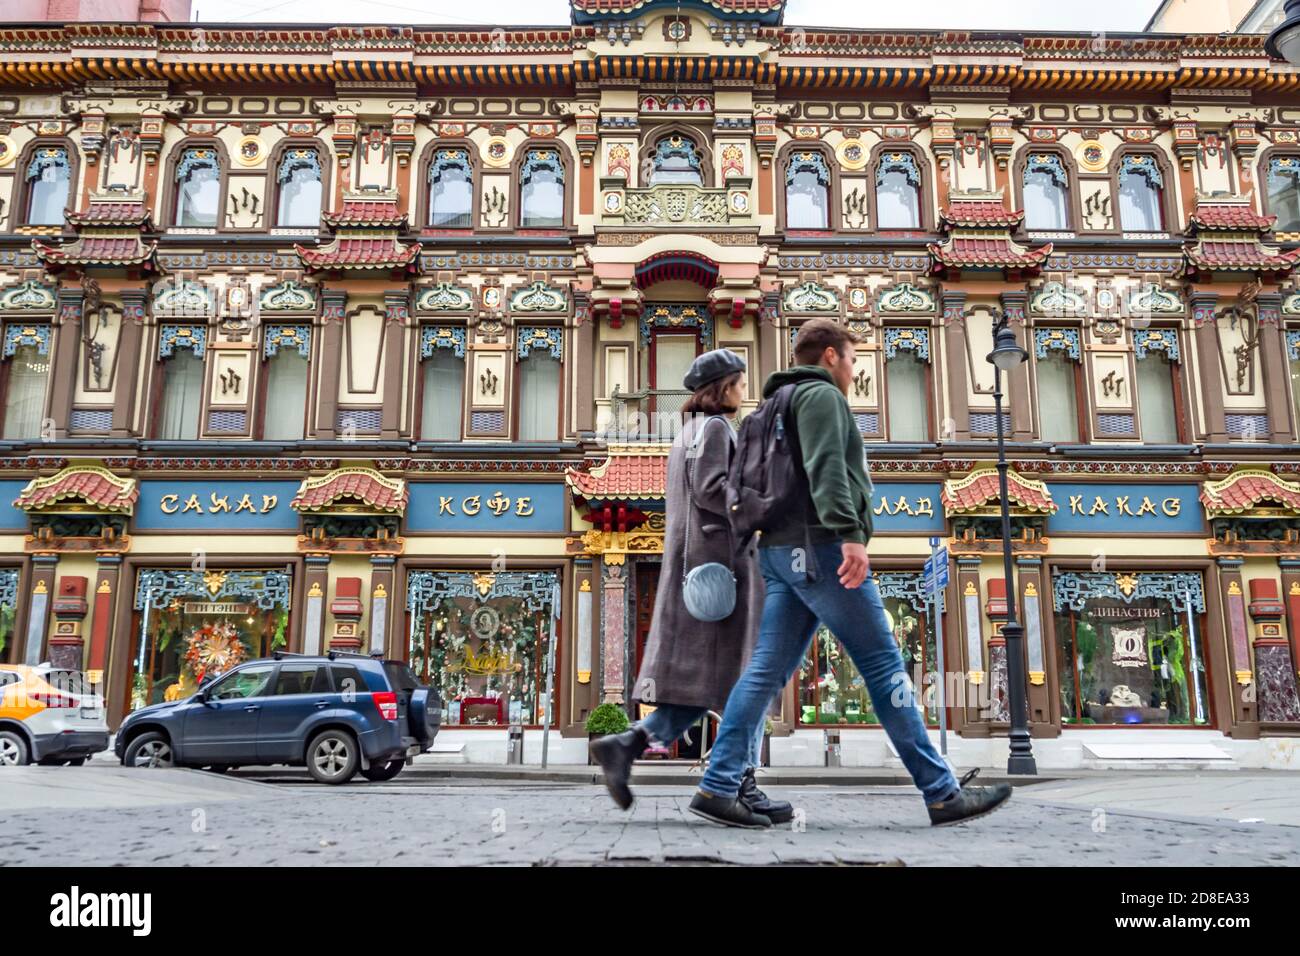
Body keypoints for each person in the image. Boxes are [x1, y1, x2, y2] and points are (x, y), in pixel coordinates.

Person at [688, 319, 1013, 829]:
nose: (855, 368)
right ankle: (942, 793)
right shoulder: (820, 398)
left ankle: (719, 784)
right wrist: (850, 536)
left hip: (778, 553)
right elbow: (827, 467)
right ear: (831, 356)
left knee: (765, 672)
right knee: (884, 668)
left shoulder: (765, 409)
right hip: (820, 550)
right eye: (853, 358)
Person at [589, 349, 791, 823]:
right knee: (746, 681)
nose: (744, 392)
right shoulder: (718, 428)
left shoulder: (687, 432)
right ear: (722, 388)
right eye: (739, 383)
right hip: (723, 571)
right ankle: (740, 784)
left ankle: (626, 744)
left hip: (697, 570)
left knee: (702, 687)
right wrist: (762, 507)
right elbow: (711, 489)